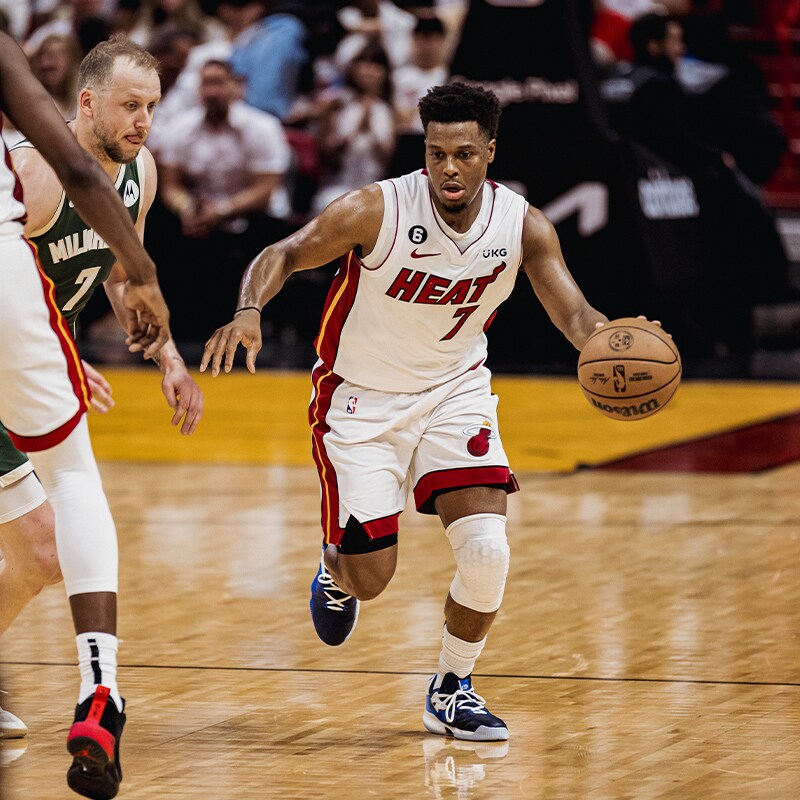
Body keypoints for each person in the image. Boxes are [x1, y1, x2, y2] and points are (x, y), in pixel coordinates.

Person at [202, 82, 610, 741]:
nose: (448, 168)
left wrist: (611, 343)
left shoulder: (523, 224)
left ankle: (452, 688)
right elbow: (281, 254)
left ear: (490, 153)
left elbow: (574, 313)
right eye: (436, 153)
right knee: (371, 581)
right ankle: (337, 569)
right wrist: (249, 310)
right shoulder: (375, 209)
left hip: (456, 391)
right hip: (359, 403)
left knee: (486, 551)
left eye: (464, 154)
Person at [0, 29, 172, 799]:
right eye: (130, 105)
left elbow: (99, 278)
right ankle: (100, 692)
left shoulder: (144, 175)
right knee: (62, 505)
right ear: (88, 102)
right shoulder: (37, 170)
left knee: (42, 554)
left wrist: (158, 358)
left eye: (152, 108)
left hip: (25, 352)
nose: (143, 122)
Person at [157, 57, 292, 336]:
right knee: (158, 224)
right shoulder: (181, 128)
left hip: (251, 212)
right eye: (206, 83)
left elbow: (266, 188)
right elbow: (169, 184)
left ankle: (261, 322)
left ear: (235, 87)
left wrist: (221, 211)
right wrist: (186, 208)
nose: (212, 91)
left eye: (219, 83)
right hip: (201, 212)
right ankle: (174, 325)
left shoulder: (262, 127)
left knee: (267, 233)